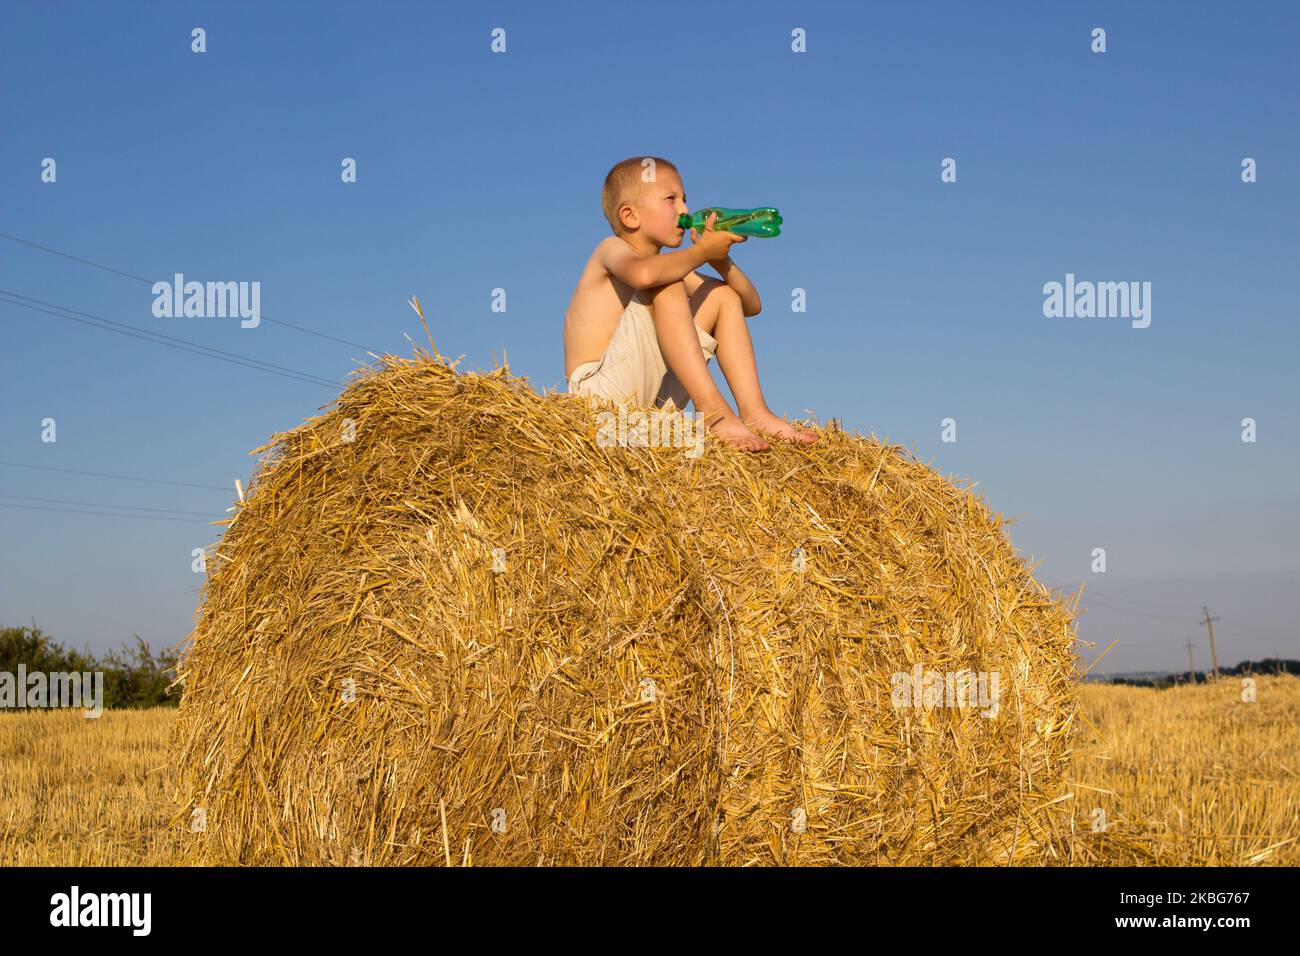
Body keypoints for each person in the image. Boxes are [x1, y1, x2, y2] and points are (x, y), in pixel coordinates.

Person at [563, 156, 819, 451]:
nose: (685, 209)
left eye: (684, 199)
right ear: (630, 216)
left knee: (721, 296)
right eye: (671, 199)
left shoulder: (663, 267)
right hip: (597, 399)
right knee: (666, 283)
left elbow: (750, 305)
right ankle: (715, 412)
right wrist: (699, 253)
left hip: (647, 407)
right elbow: (644, 275)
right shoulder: (611, 250)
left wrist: (720, 261)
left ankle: (755, 412)